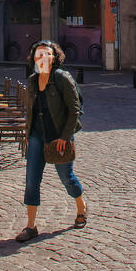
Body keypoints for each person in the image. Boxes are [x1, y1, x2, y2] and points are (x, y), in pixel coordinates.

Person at [15, 39, 86, 243]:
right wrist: (28, 135)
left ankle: (81, 206)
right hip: (37, 136)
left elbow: (75, 111)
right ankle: (30, 226)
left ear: (54, 57)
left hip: (59, 137)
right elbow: (31, 111)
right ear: (34, 58)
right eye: (39, 54)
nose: (43, 57)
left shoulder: (62, 78)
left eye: (47, 53)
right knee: (31, 180)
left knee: (67, 178)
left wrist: (65, 137)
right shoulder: (32, 81)